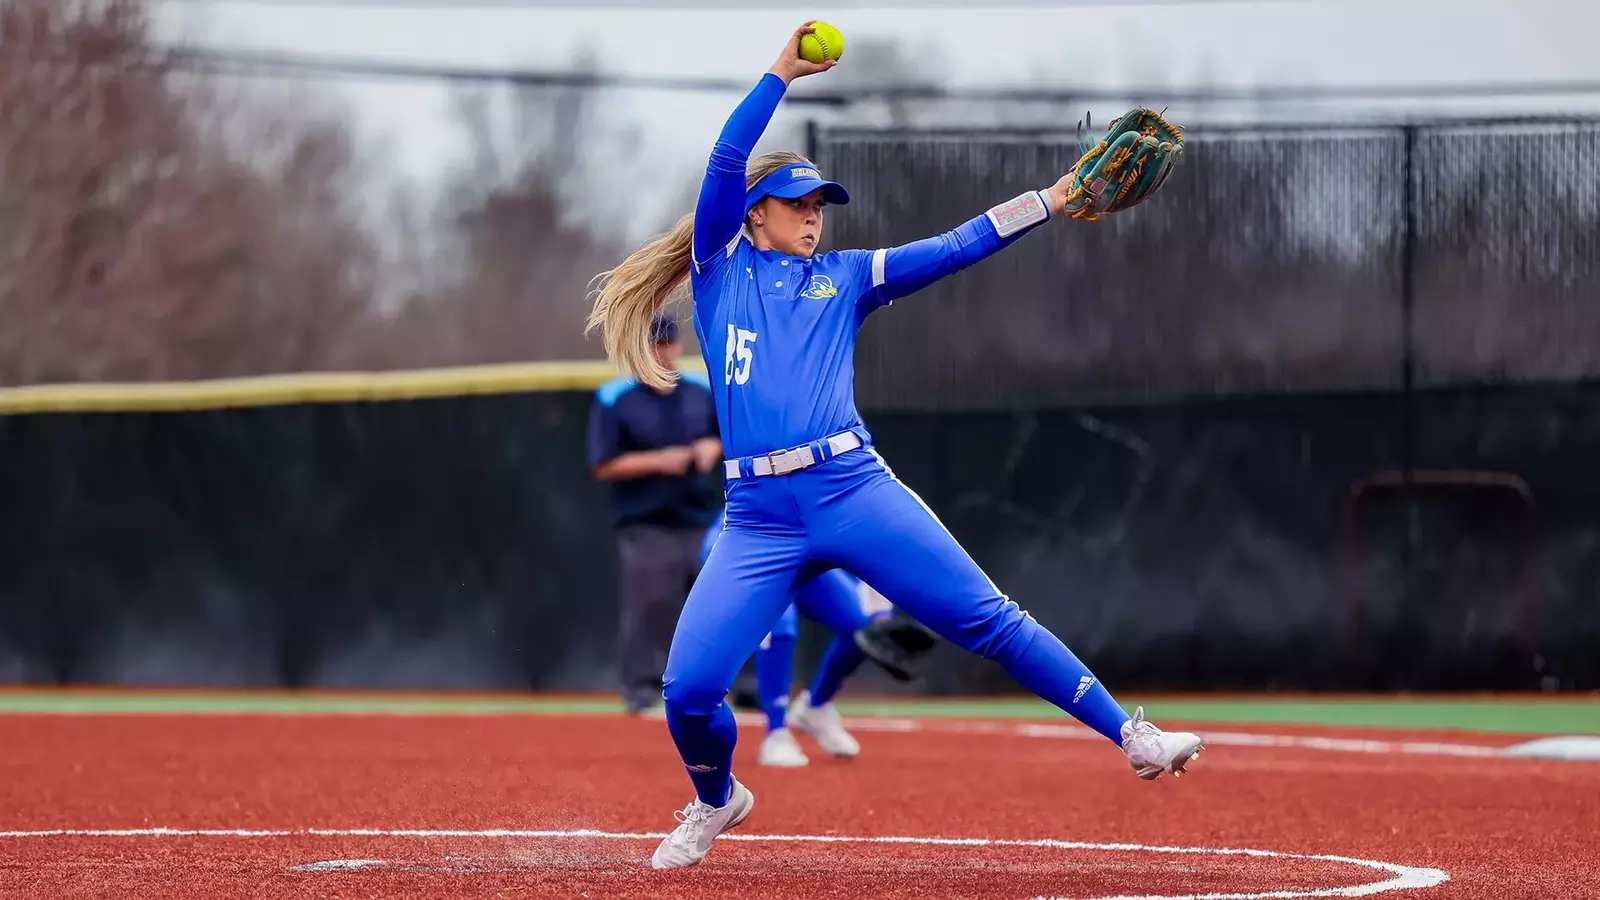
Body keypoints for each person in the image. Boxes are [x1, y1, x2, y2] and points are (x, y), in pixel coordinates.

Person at [585, 23, 1205, 871]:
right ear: (756, 216)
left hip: (851, 490)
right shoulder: (719, 271)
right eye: (798, 204)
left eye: (819, 206)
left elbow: (956, 247)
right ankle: (716, 798)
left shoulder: (846, 279)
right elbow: (726, 161)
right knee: (688, 692)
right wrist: (779, 73)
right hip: (759, 518)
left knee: (987, 620)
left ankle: (1133, 733)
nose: (812, 216)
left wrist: (1052, 199)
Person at [587, 312, 722, 714]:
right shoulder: (616, 397)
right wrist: (660, 461)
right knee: (650, 609)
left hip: (701, 518)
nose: (663, 354)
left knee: (720, 606)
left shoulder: (701, 390)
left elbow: (725, 437)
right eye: (655, 346)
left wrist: (711, 448)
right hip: (648, 522)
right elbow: (602, 464)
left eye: (668, 344)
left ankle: (736, 688)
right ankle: (643, 692)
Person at [700, 507, 894, 768]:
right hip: (746, 541)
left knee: (859, 627)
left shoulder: (848, 479)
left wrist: (881, 610)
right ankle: (776, 733)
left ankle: (816, 707)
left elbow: (872, 535)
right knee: (781, 627)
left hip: (800, 544)